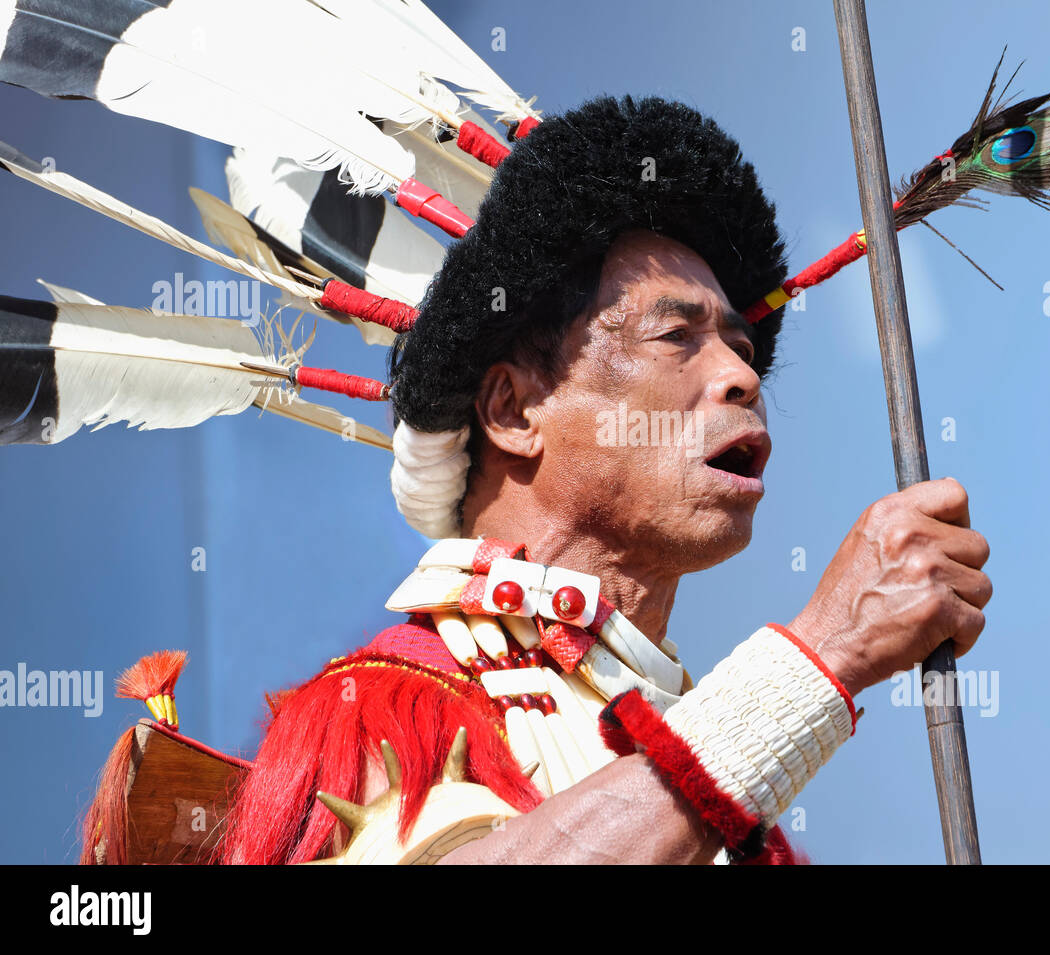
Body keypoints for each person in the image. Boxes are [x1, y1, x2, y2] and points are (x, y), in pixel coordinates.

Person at [204, 95, 992, 865]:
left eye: (743, 349)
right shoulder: (382, 709)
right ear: (513, 411)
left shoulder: (736, 815)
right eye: (675, 334)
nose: (739, 377)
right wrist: (826, 650)